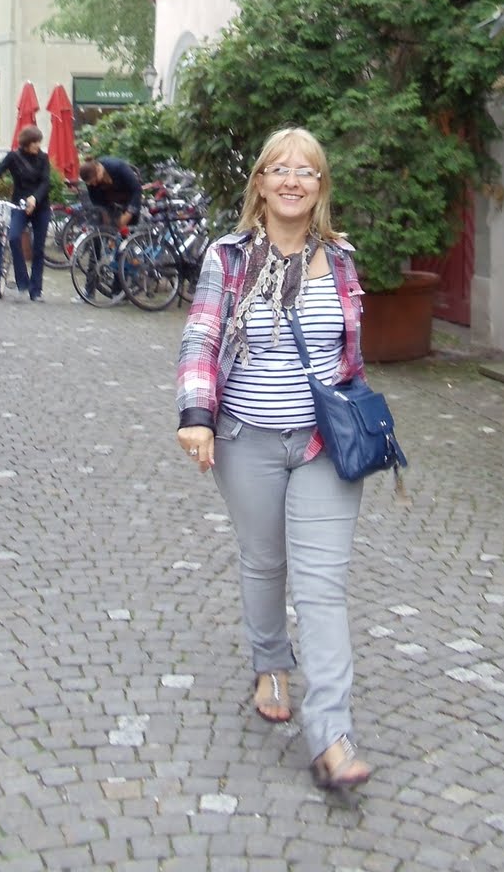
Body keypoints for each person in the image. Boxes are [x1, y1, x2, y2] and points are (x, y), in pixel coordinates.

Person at [175, 127, 372, 798]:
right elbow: (201, 338)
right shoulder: (228, 259)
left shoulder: (341, 259)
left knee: (322, 585)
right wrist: (196, 418)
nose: (292, 180)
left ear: (320, 188)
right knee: (264, 561)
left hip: (323, 444)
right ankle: (269, 662)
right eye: (279, 169)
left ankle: (331, 736)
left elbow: (351, 358)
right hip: (245, 437)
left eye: (307, 171)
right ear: (259, 183)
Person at [0, 124, 51, 301]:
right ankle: (22, 280)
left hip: (41, 206)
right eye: (34, 143)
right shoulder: (14, 157)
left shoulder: (43, 158)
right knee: (14, 237)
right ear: (26, 143)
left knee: (38, 249)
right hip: (19, 205)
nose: (37, 146)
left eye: (39, 142)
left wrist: (35, 198)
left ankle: (36, 290)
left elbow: (46, 183)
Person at [79, 155, 142, 231]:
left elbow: (136, 189)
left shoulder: (117, 167)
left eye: (95, 181)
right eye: (91, 184)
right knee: (105, 227)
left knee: (128, 229)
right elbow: (97, 202)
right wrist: (106, 217)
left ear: (98, 170)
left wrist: (129, 213)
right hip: (110, 200)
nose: (94, 185)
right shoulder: (90, 179)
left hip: (130, 197)